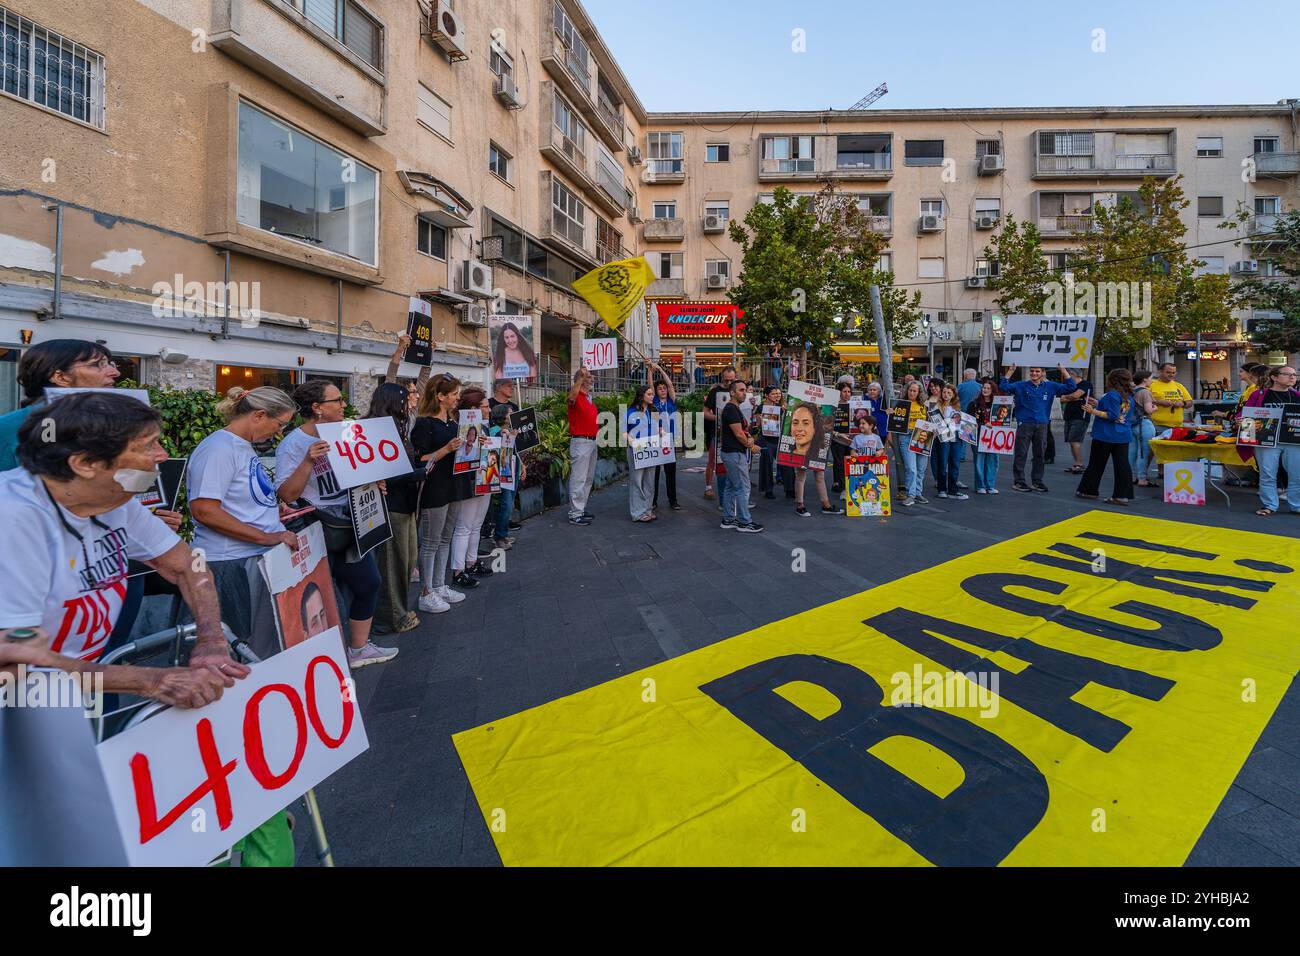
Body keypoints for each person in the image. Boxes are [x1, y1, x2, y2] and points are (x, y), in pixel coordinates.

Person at [0, 392, 248, 704]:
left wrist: (211, 639)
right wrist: (152, 681)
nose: (161, 455)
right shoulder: (13, 517)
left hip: (71, 694)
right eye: (147, 446)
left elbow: (189, 565)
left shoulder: (116, 500)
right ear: (86, 464)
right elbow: (12, 662)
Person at [276, 381, 395, 670]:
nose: (344, 405)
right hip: (322, 529)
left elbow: (358, 470)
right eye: (337, 400)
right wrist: (307, 461)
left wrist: (373, 481)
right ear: (317, 408)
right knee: (347, 588)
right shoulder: (293, 445)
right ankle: (347, 651)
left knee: (364, 584)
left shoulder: (346, 432)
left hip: (354, 521)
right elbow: (287, 495)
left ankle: (355, 648)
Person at [187, 386, 299, 644]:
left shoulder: (240, 445)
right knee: (231, 647)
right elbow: (204, 510)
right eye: (280, 424)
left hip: (243, 559)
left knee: (250, 643)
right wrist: (266, 536)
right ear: (259, 415)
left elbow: (236, 496)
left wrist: (269, 509)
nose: (279, 432)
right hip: (227, 563)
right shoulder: (219, 449)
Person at [367, 382, 421, 635]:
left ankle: (400, 610)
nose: (409, 401)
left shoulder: (397, 428)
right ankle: (390, 617)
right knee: (392, 564)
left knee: (407, 561)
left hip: (406, 503)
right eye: (405, 397)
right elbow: (384, 474)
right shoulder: (376, 431)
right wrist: (416, 474)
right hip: (390, 506)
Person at [411, 374, 466, 612]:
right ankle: (426, 592)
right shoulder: (424, 423)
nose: (457, 398)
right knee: (431, 541)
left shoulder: (452, 422)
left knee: (446, 538)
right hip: (435, 487)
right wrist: (445, 449)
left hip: (454, 484)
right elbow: (418, 459)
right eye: (454, 394)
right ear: (440, 396)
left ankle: (439, 585)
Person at [998, 364, 1078, 493]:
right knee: (1021, 453)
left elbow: (1072, 387)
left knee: (1040, 455)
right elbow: (1003, 386)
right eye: (1032, 371)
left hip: (1042, 424)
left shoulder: (1051, 386)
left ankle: (1037, 481)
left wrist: (1063, 370)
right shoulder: (1021, 385)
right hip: (1024, 423)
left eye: (1037, 371)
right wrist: (1011, 371)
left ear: (1043, 373)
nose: (1034, 373)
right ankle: (1019, 481)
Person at [448, 387, 497, 586]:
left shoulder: (483, 427)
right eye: (485, 406)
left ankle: (471, 562)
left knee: (476, 524)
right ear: (474, 408)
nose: (489, 410)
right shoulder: (458, 427)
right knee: (464, 526)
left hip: (484, 478)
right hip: (467, 481)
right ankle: (458, 571)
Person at [1242, 366, 1300, 517]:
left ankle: (1297, 505)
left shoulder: (1297, 396)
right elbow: (1246, 415)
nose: (1292, 377)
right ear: (1274, 377)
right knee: (1268, 473)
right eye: (1287, 374)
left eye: (1294, 375)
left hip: (1292, 440)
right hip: (1265, 440)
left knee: (1296, 474)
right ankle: (1269, 505)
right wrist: (1247, 435)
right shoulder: (1259, 394)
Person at [1075, 368, 1134, 505]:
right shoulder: (1127, 395)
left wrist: (1092, 410)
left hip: (1105, 434)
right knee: (1122, 465)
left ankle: (1089, 490)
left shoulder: (1112, 394)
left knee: (1096, 464)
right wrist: (1098, 403)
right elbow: (1118, 412)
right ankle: (1122, 495)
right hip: (1123, 434)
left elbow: (1112, 415)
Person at [719, 379, 763, 532]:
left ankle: (729, 519)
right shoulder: (731, 409)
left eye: (745, 390)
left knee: (731, 486)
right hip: (734, 453)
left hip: (733, 453)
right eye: (741, 390)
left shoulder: (734, 408)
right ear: (732, 392)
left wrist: (749, 438)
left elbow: (743, 431)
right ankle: (745, 522)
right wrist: (751, 446)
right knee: (743, 487)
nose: (744, 393)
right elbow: (738, 434)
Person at [487, 378, 523, 549]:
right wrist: (508, 434)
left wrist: (522, 465)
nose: (511, 416)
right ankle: (499, 536)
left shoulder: (508, 430)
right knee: (506, 502)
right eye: (509, 414)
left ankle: (503, 534)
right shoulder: (497, 430)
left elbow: (514, 450)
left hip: (512, 466)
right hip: (502, 470)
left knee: (509, 501)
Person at [789, 402, 841, 517]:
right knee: (801, 475)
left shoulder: (820, 419)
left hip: (816, 447)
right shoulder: (801, 413)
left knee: (819, 475)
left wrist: (836, 433)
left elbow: (826, 429)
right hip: (802, 448)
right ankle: (800, 505)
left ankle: (826, 504)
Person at [566, 367, 598, 526]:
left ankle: (580, 508)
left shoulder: (587, 397)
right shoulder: (575, 396)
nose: (592, 379)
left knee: (587, 478)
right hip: (581, 441)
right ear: (581, 380)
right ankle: (575, 513)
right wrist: (580, 377)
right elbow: (571, 398)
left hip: (591, 441)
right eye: (588, 376)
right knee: (579, 478)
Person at [702, 366, 736, 500]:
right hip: (717, 430)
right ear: (722, 378)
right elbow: (705, 412)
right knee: (713, 459)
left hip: (734, 431)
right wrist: (719, 418)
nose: (728, 383)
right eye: (726, 380)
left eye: (731, 380)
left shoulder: (739, 389)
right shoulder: (715, 391)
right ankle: (708, 487)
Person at [625, 384, 657, 522]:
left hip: (651, 450)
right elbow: (624, 432)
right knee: (637, 481)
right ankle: (638, 513)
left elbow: (659, 428)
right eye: (649, 394)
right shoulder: (631, 411)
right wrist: (633, 443)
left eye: (652, 394)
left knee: (649, 482)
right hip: (636, 450)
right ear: (641, 396)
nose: (652, 396)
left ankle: (647, 509)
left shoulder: (653, 411)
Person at [650, 365, 681, 511]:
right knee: (654, 473)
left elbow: (670, 384)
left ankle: (673, 500)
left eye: (664, 388)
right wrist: (650, 370)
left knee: (670, 472)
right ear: (656, 392)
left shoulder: (671, 401)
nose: (663, 390)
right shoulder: (654, 401)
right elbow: (650, 385)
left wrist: (659, 369)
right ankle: (653, 501)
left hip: (669, 441)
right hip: (656, 441)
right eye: (660, 388)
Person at [932, 383, 968, 500]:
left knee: (955, 463)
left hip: (956, 436)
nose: (946, 395)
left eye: (949, 393)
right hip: (944, 436)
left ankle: (953, 489)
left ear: (953, 395)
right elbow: (935, 422)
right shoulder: (937, 406)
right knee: (942, 463)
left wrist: (969, 427)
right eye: (944, 392)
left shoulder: (957, 407)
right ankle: (942, 489)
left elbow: (960, 422)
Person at [895, 380, 928, 506]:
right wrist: (890, 413)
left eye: (915, 391)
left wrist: (934, 429)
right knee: (911, 468)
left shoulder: (925, 404)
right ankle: (910, 495)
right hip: (906, 436)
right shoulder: (901, 404)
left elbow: (932, 419)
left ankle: (918, 493)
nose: (912, 393)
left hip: (922, 435)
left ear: (919, 392)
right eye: (910, 390)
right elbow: (894, 421)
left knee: (921, 468)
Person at [967, 378, 1003, 494]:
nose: (985, 390)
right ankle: (980, 486)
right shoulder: (974, 403)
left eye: (988, 388)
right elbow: (969, 420)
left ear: (993, 390)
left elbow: (1004, 420)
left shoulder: (999, 404)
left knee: (992, 461)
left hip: (993, 436)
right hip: (978, 436)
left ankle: (990, 485)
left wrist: (1010, 407)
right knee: (979, 461)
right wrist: (982, 424)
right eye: (984, 387)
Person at [1128, 369, 1158, 487]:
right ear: (1144, 379)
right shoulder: (1145, 392)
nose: (1152, 380)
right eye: (1151, 378)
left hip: (1132, 424)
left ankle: (1131, 476)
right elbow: (1148, 410)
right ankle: (1142, 478)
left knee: (1132, 451)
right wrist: (1155, 408)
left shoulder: (1132, 391)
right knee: (1144, 452)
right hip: (1144, 424)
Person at [756, 384, 786, 500]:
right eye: (773, 394)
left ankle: (789, 488)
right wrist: (762, 419)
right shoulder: (761, 407)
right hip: (766, 439)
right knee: (767, 465)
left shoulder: (781, 407)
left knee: (785, 463)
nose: (776, 396)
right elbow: (758, 425)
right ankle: (768, 490)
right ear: (766, 395)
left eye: (777, 394)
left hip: (779, 438)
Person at [1059, 371, 1093, 474]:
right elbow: (1061, 399)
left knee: (1075, 441)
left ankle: (1079, 464)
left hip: (1080, 416)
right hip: (1069, 416)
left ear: (1075, 375)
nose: (1066, 377)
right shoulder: (1069, 386)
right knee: (1071, 441)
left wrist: (1071, 397)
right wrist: (1073, 397)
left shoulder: (1085, 384)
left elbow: (1075, 395)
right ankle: (1076, 463)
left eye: (1068, 375)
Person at [1148, 362, 1193, 432]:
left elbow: (1190, 402)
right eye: (1168, 372)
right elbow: (1143, 401)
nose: (1171, 375)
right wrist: (1159, 402)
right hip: (1157, 426)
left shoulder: (1179, 385)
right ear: (1160, 372)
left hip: (1178, 427)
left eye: (1173, 373)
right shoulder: (1151, 385)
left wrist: (1183, 403)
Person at [831, 377, 855, 494]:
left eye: (849, 392)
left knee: (850, 461)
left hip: (851, 439)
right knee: (839, 462)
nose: (847, 394)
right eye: (844, 391)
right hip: (837, 439)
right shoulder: (833, 406)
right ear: (839, 392)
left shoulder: (854, 406)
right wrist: (837, 434)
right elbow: (827, 425)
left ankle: (848, 484)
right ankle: (841, 486)